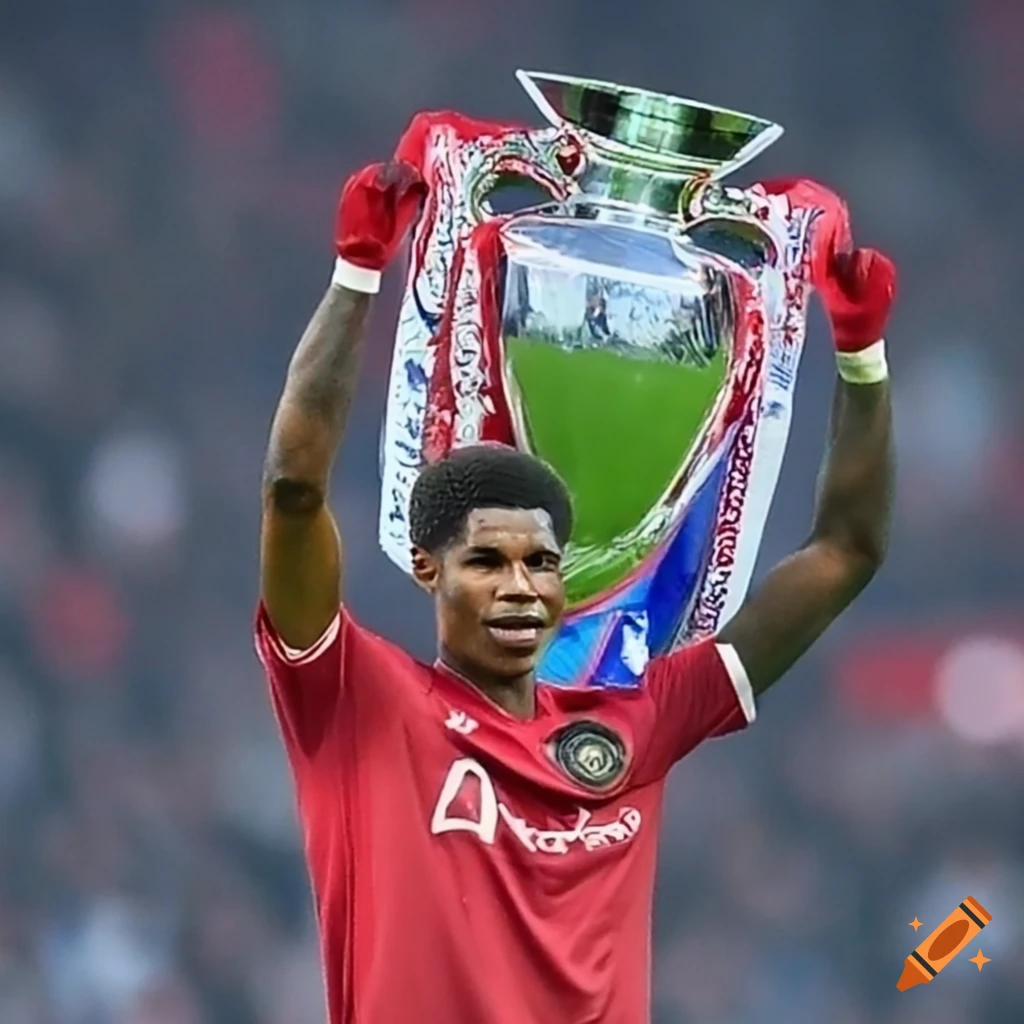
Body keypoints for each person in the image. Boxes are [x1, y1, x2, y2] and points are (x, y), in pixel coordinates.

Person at [256, 160, 896, 1024]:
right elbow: (295, 490)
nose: (520, 586)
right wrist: (357, 271)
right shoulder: (363, 703)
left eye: (540, 563)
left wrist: (860, 355)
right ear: (427, 568)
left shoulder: (634, 723)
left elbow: (845, 552)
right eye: (488, 563)